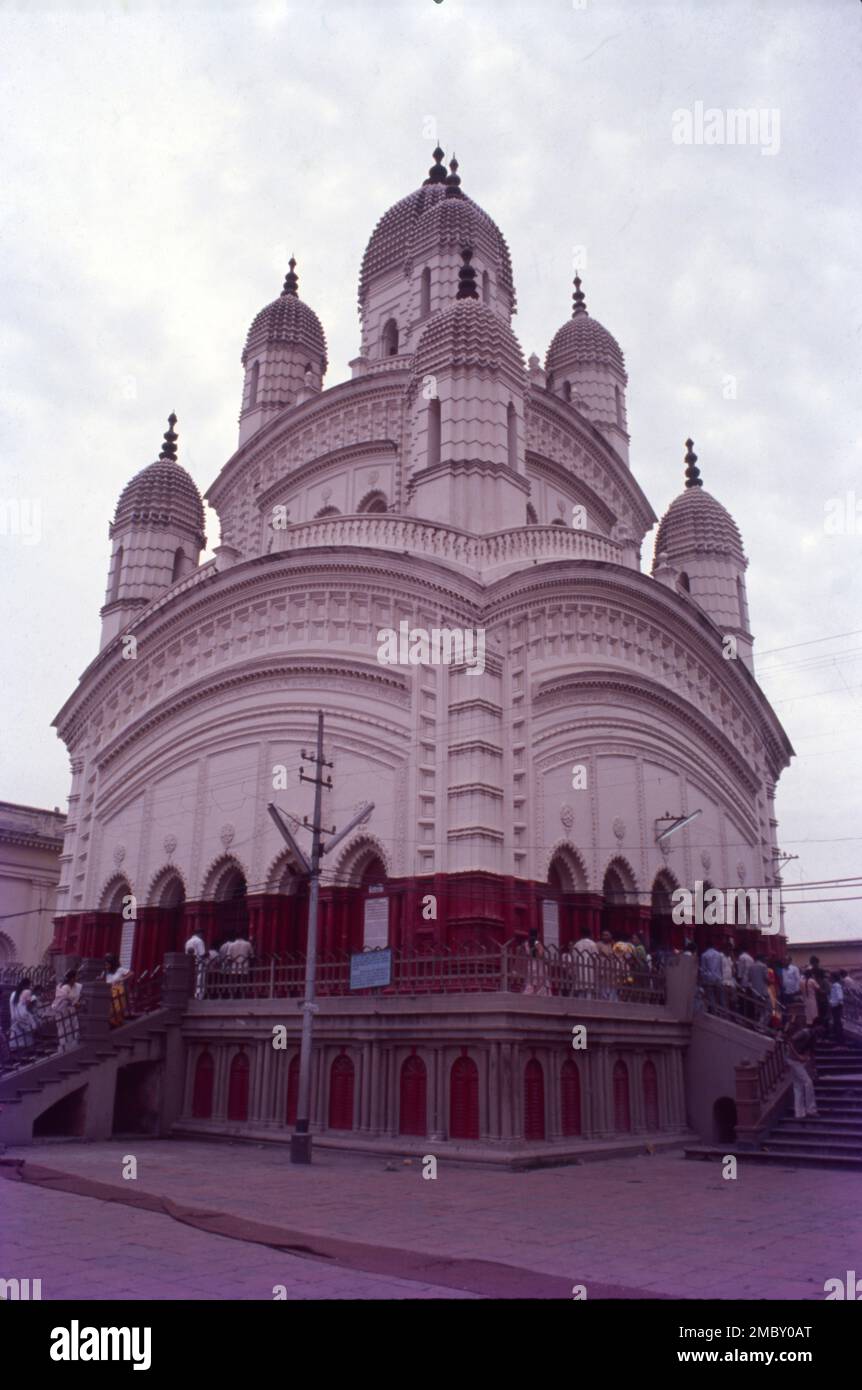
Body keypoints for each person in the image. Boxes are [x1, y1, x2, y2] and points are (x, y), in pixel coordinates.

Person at [785, 1020, 820, 1119]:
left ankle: (799, 1113)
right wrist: (798, 1056)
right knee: (808, 1082)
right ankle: (811, 1109)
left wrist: (812, 1067)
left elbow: (811, 1052)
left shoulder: (813, 1037)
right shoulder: (804, 1033)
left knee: (798, 1085)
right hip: (793, 1060)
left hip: (797, 1061)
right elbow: (790, 1041)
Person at [52, 968, 82, 1052]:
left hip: (71, 1012)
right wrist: (73, 1003)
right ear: (72, 978)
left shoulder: (76, 986)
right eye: (76, 977)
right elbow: (63, 999)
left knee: (72, 1029)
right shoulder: (65, 987)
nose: (77, 978)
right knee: (65, 1030)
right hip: (64, 1011)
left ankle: (71, 1047)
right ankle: (64, 1048)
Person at [8, 977, 37, 1054]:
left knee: (16, 1036)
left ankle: (18, 1054)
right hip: (23, 1015)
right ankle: (27, 1054)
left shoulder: (13, 993)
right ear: (27, 984)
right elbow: (30, 1005)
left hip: (14, 1017)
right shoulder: (27, 991)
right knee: (27, 1036)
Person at [102, 955, 132, 1027]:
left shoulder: (120, 970)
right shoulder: (107, 972)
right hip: (110, 990)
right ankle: (112, 1023)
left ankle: (116, 1023)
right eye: (105, 964)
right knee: (109, 1007)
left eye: (108, 964)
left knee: (116, 1007)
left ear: (112, 964)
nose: (106, 966)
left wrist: (122, 979)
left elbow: (131, 973)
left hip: (119, 990)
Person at [571, 927, 600, 997]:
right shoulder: (592, 944)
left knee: (580, 989)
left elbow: (573, 957)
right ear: (590, 935)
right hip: (590, 969)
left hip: (579, 968)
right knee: (589, 990)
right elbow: (596, 958)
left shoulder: (576, 944)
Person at [522, 928, 550, 996]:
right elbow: (541, 952)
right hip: (538, 961)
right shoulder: (537, 942)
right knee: (540, 978)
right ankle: (540, 993)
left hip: (530, 961)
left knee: (531, 979)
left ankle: (530, 992)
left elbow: (526, 953)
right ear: (536, 934)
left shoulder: (526, 943)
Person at [184, 926, 207, 999]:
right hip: (199, 963)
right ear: (200, 934)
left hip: (190, 963)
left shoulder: (188, 941)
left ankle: (190, 995)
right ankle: (198, 996)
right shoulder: (199, 941)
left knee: (191, 980)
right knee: (199, 981)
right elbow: (202, 954)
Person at [699, 942, 723, 1009]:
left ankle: (714, 1011)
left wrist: (702, 979)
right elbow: (720, 968)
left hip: (708, 979)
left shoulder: (704, 955)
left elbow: (703, 969)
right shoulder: (719, 955)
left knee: (711, 997)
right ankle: (722, 1013)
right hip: (718, 978)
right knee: (719, 998)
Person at [829, 973, 844, 1043]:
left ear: (834, 978)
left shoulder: (836, 986)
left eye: (831, 976)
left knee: (837, 1022)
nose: (829, 978)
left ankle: (839, 1038)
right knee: (836, 1021)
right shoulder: (834, 985)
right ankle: (838, 1037)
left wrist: (833, 1003)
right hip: (835, 1005)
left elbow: (839, 996)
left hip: (836, 1006)